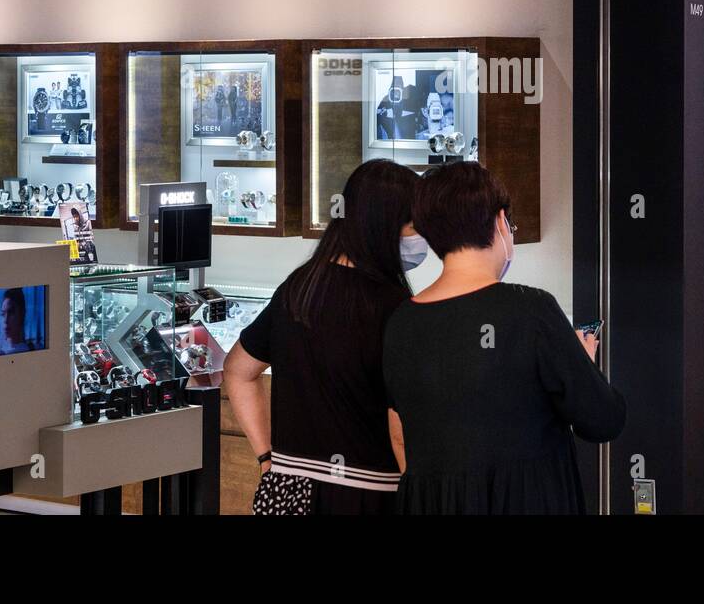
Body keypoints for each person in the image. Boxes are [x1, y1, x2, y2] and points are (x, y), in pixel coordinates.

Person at [384, 162, 626, 514]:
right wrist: (578, 363)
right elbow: (603, 419)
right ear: (499, 222)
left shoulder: (402, 321)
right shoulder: (530, 309)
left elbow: (403, 431)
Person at [224, 158, 424, 514]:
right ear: (386, 223)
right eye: (414, 224)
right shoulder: (395, 307)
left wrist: (268, 458)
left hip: (286, 493)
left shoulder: (298, 288)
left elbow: (238, 370)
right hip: (368, 493)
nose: (420, 235)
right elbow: (401, 429)